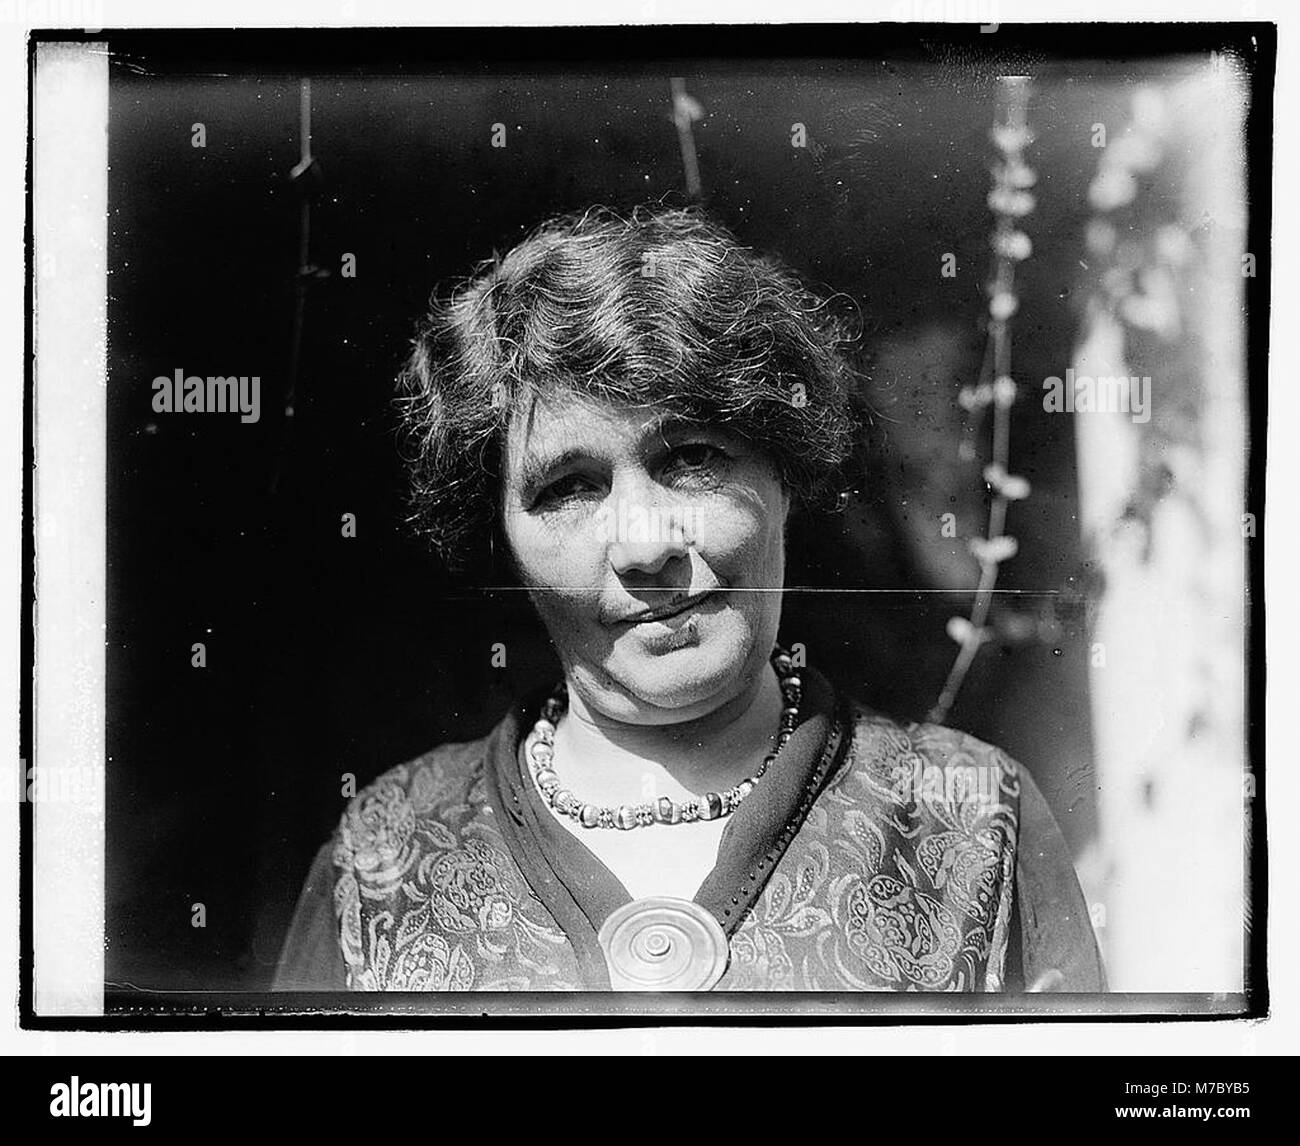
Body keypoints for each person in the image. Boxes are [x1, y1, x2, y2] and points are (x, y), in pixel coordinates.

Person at [274, 205, 1105, 993]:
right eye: (569, 487)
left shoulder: (972, 819)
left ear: (782, 476)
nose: (645, 543)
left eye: (691, 458)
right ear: (501, 538)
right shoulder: (382, 857)